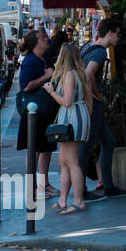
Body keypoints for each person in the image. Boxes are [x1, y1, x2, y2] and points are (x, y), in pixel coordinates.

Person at [41, 43, 92, 214]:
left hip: (71, 118)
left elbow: (67, 101)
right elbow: (89, 100)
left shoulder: (69, 75)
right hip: (78, 116)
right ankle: (63, 199)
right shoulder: (81, 74)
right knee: (63, 161)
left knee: (71, 162)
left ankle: (78, 201)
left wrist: (51, 91)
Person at [80, 19, 124, 200]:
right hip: (93, 106)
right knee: (86, 147)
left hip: (88, 104)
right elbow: (88, 74)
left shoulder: (88, 47)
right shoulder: (99, 53)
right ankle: (82, 189)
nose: (119, 37)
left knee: (109, 141)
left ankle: (108, 184)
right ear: (110, 32)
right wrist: (97, 95)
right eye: (118, 33)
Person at [15, 29, 56, 198]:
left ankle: (44, 184)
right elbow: (26, 86)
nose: (47, 39)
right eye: (43, 38)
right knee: (35, 149)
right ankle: (33, 187)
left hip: (45, 110)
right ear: (35, 43)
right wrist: (46, 76)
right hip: (34, 111)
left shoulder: (44, 58)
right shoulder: (30, 61)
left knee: (46, 148)